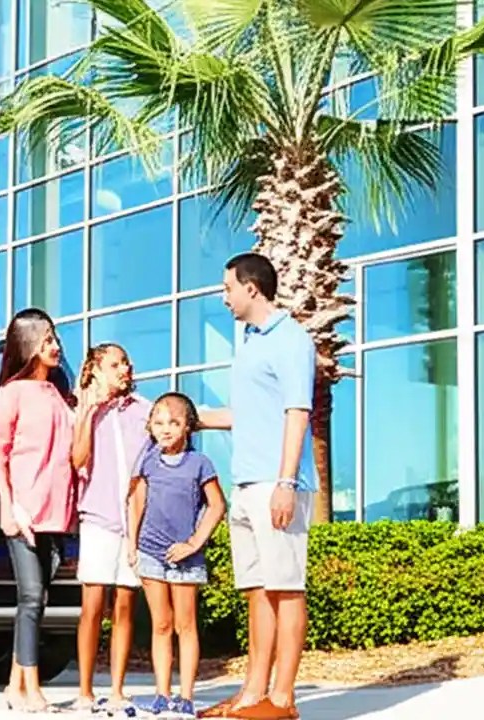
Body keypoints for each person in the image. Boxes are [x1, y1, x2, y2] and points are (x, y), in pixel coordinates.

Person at [196, 253, 316, 720]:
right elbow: (245, 417)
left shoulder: (291, 339)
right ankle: (251, 694)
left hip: (276, 482)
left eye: (227, 288)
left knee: (287, 588)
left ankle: (282, 701)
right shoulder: (246, 341)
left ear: (252, 288)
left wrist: (286, 482)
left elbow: (297, 412)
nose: (223, 296)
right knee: (257, 590)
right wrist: (187, 417)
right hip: (246, 481)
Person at [0, 307, 78, 713]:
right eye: (46, 341)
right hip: (24, 512)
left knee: (38, 597)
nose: (55, 347)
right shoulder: (12, 393)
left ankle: (14, 685)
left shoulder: (61, 395)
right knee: (31, 599)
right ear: (28, 345)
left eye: (55, 339)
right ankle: (33, 689)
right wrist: (9, 506)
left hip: (57, 514)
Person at [126, 393, 226, 719]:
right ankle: (161, 694)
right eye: (158, 422)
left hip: (186, 558)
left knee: (185, 624)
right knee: (161, 624)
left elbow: (217, 506)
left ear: (188, 427)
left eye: (174, 422)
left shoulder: (200, 464)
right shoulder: (148, 462)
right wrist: (132, 546)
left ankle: (185, 697)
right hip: (151, 553)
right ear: (150, 427)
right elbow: (136, 503)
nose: (165, 428)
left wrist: (195, 543)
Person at [69, 343, 150, 713]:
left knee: (125, 605)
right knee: (92, 605)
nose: (125, 368)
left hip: (133, 524)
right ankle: (85, 689)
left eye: (126, 362)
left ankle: (117, 689)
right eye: (116, 364)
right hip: (98, 519)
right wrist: (88, 410)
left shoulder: (144, 410)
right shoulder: (82, 412)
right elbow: (78, 458)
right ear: (97, 370)